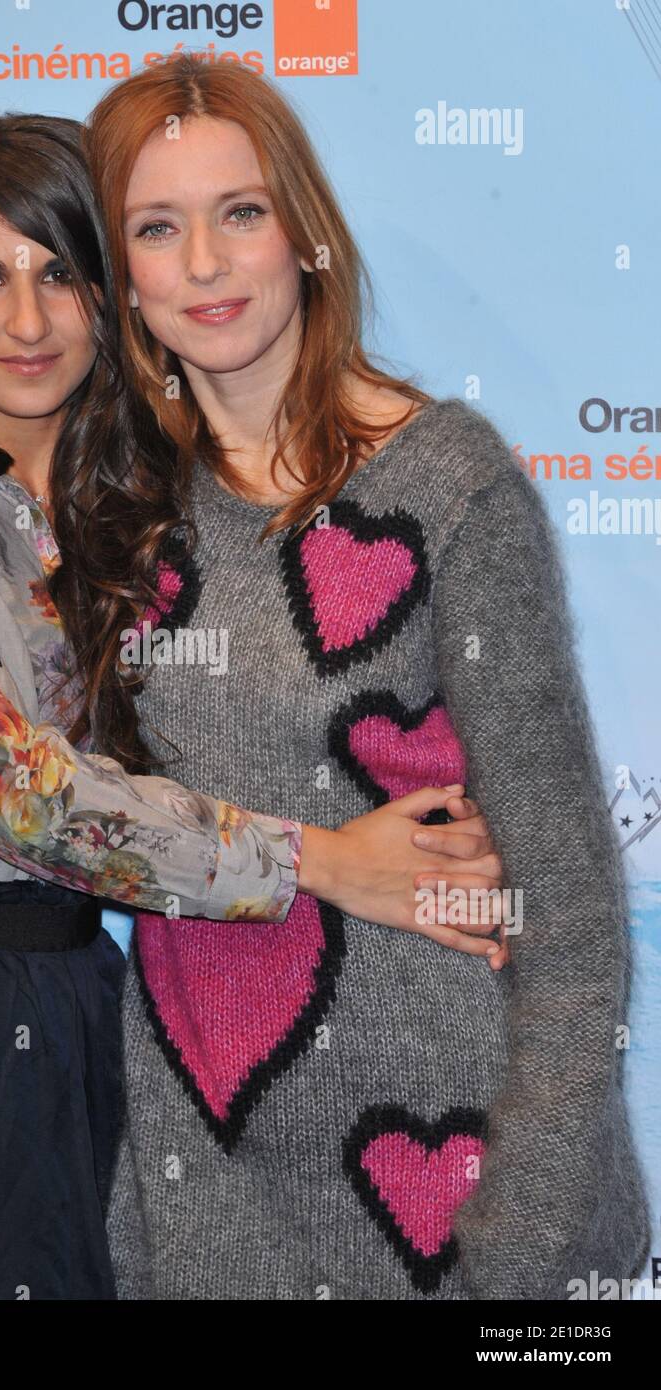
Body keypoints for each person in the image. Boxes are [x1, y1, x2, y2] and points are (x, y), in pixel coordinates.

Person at [0, 111, 505, 1302]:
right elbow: (19, 794)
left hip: (72, 1011)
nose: (27, 322)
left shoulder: (137, 497)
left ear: (115, 294)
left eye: (61, 273)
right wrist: (325, 862)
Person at [67, 55, 646, 1301]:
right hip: (208, 1178)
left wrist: (518, 1249)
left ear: (307, 233)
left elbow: (572, 908)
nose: (208, 265)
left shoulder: (447, 484)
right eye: (157, 230)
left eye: (241, 212)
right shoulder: (107, 500)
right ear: (120, 277)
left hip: (459, 1162)